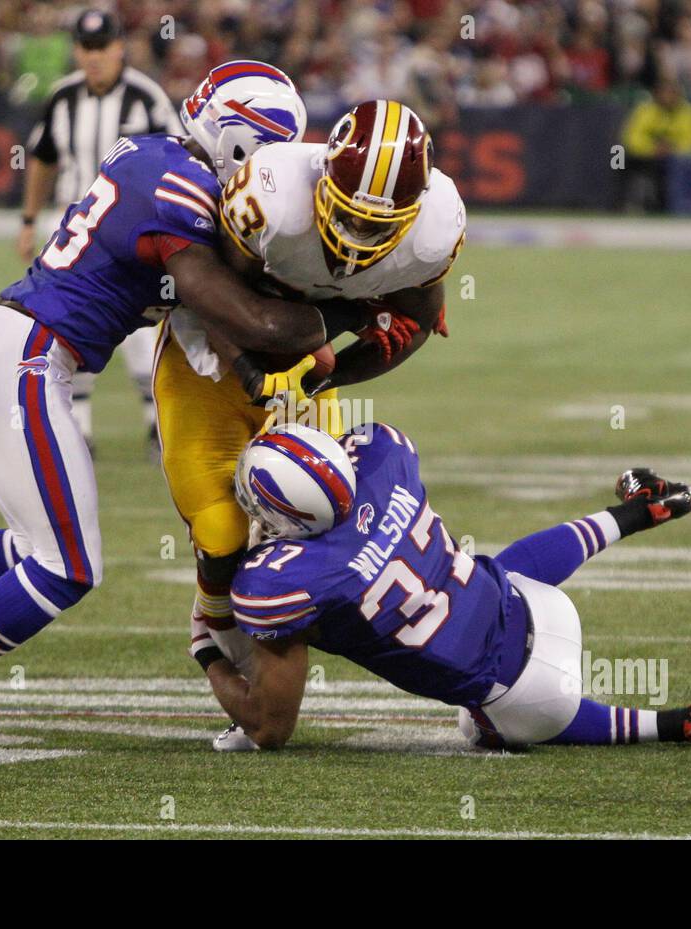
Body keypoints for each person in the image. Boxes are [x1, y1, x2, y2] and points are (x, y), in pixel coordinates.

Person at [0, 62, 322, 752]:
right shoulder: (183, 191)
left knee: (33, 550)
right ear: (236, 142)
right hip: (27, 354)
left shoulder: (157, 159)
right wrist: (332, 316)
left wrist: (269, 373)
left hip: (11, 344)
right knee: (67, 567)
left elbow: (220, 331)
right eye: (272, 153)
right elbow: (243, 317)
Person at [154, 99, 464, 746]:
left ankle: (265, 693)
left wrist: (331, 376)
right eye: (346, 212)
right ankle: (210, 624)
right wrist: (249, 372)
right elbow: (211, 295)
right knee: (220, 530)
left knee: (304, 533)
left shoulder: (436, 228)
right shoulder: (273, 195)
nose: (354, 235)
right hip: (209, 356)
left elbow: (411, 325)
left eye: (375, 225)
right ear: (324, 176)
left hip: (303, 364)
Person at [193, 423, 691, 752]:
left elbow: (271, 728)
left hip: (527, 700)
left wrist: (208, 654)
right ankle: (636, 512)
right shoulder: (385, 454)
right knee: (497, 570)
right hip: (542, 604)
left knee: (479, 723)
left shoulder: (280, 582)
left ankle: (679, 723)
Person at [17, 10, 182, 457]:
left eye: (102, 46)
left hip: (132, 231)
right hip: (73, 223)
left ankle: (156, 424)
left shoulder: (147, 97)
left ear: (119, 47)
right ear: (76, 50)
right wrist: (29, 219)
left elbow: (180, 159)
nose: (94, 56)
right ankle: (79, 428)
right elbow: (42, 157)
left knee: (142, 323)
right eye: (86, 47)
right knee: (68, 321)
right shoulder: (62, 96)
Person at [620, 79, 691, 212]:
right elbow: (631, 138)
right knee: (617, 156)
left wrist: (672, 149)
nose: (668, 97)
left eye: (672, 93)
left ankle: (671, 206)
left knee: (677, 165)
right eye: (665, 93)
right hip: (646, 156)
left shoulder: (688, 112)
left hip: (676, 160)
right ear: (657, 94)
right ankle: (624, 203)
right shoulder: (645, 110)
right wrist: (653, 149)